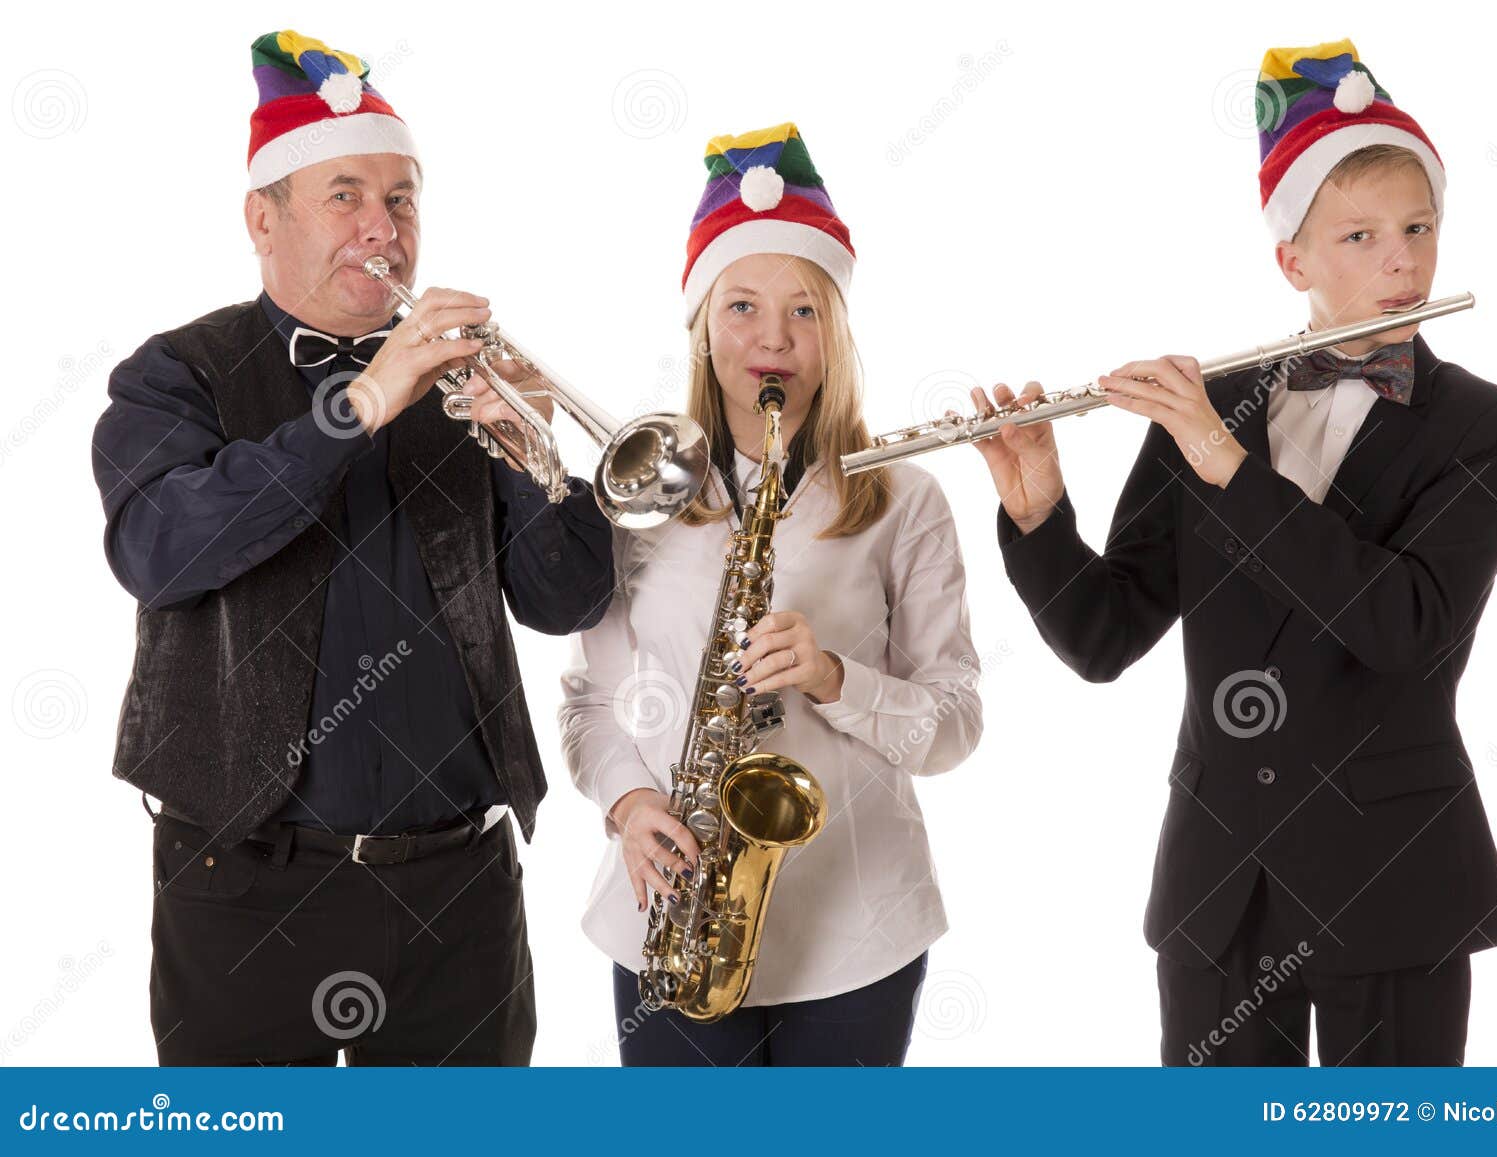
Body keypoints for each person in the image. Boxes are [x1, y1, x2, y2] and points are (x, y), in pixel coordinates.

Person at [974, 40, 1497, 1065]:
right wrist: (1039, 513)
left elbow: (1403, 626)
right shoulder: (1211, 408)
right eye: (1360, 236)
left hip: (1394, 877)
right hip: (1219, 883)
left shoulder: (1490, 428)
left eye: (1417, 229)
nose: (1401, 262)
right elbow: (1103, 639)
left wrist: (1226, 464)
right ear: (1294, 262)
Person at [90, 30, 614, 1065]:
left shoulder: (462, 383)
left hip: (457, 892)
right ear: (262, 218)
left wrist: (530, 454)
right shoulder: (173, 374)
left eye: (402, 200)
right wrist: (361, 405)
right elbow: (161, 550)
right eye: (346, 197)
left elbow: (567, 602)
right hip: (243, 886)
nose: (384, 229)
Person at [559, 123, 982, 1066]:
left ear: (837, 333)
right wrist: (630, 803)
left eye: (804, 310)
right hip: (670, 913)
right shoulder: (639, 495)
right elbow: (591, 705)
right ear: (702, 328)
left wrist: (837, 677)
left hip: (859, 926)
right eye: (742, 305)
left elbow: (955, 726)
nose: (774, 339)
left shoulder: (905, 498)